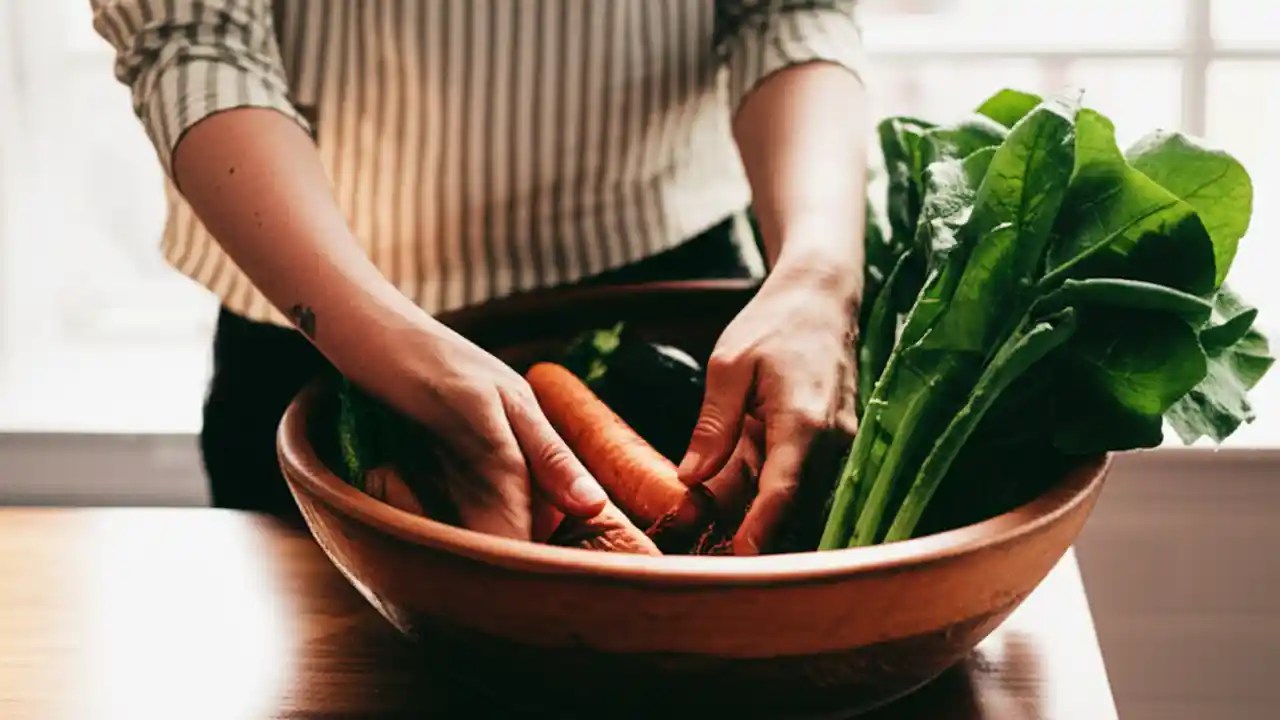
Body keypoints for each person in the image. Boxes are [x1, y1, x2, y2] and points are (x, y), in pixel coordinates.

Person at [91, 0, 868, 555]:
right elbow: (189, 39)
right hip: (320, 324)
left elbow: (791, 10)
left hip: (671, 298)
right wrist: (379, 338)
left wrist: (816, 275)